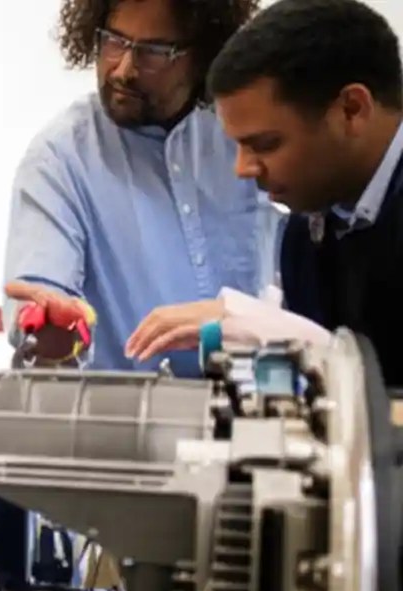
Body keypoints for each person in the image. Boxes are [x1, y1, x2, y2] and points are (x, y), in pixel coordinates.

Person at [124, 0, 403, 385]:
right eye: (238, 146)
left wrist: (321, 351)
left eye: (266, 144)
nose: (243, 169)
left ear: (352, 110)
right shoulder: (305, 240)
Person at [2, 0, 284, 376]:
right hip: (126, 423)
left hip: (262, 413)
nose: (123, 69)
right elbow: (42, 301)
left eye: (153, 52)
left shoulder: (247, 138)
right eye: (114, 41)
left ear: (202, 55)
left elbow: (303, 296)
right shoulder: (60, 158)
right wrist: (52, 330)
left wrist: (238, 318)